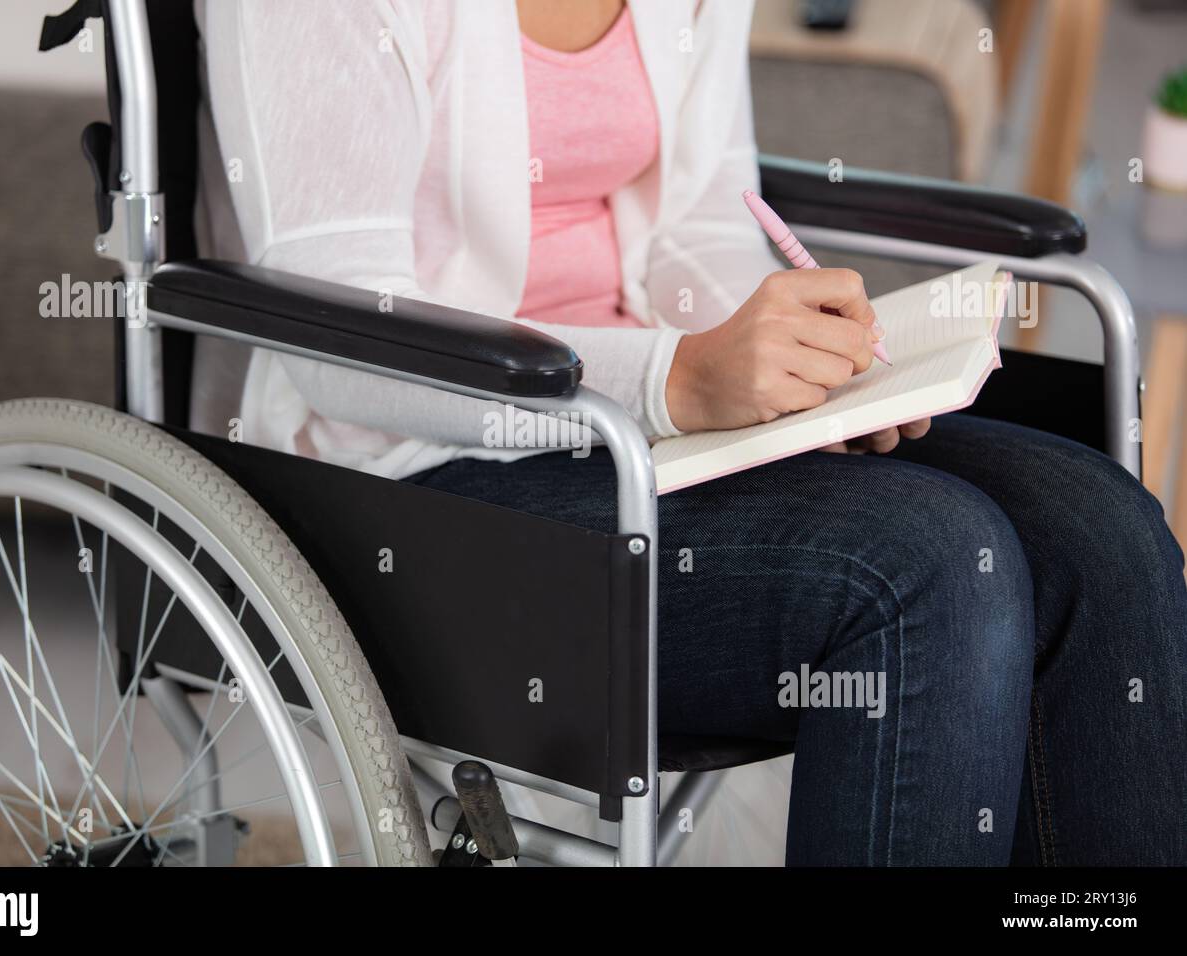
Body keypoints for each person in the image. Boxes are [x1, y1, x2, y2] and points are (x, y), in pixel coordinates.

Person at [192, 0, 1186, 865]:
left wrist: (789, 371)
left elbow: (701, 216)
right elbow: (344, 343)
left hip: (652, 425)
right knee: (923, 565)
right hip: (407, 474)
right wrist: (674, 377)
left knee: (1101, 530)